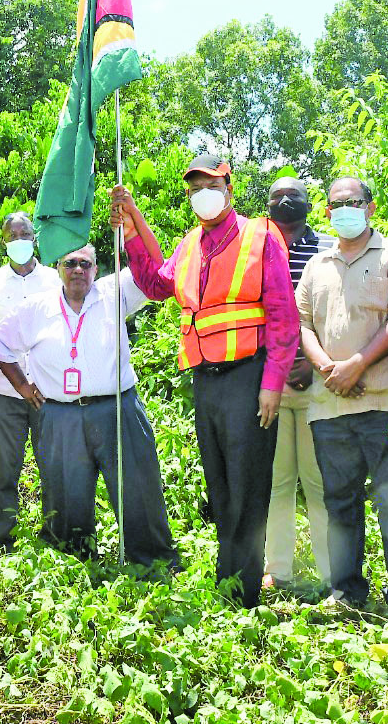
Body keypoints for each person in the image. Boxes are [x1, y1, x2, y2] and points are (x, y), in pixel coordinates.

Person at [110, 155, 299, 608]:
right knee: (219, 484)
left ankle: (246, 592)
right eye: (195, 188)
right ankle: (226, 580)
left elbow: (283, 317)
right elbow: (157, 284)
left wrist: (273, 383)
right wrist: (133, 225)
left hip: (249, 376)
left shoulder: (261, 236)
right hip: (206, 379)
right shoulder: (190, 244)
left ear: (229, 188)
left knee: (248, 484)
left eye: (210, 185)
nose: (203, 194)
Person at [0, 245, 180, 567]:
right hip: (60, 415)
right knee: (65, 494)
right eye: (70, 262)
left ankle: (152, 562)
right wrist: (22, 384)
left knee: (137, 487)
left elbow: (154, 268)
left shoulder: (114, 292)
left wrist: (129, 218)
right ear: (58, 267)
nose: (78, 270)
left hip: (117, 409)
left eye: (85, 264)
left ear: (97, 268)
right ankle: (74, 564)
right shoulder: (37, 306)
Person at [297, 177, 388, 614]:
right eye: (336, 204)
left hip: (386, 401)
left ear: (371, 208)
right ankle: (346, 590)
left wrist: (357, 365)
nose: (344, 209)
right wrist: (327, 367)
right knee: (339, 502)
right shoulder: (317, 265)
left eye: (353, 202)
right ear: (326, 212)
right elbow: (303, 325)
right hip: (329, 403)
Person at [0, 211, 60, 551]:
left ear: (34, 238)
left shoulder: (54, 280)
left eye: (24, 234)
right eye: (12, 235)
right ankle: (6, 539)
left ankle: (54, 534)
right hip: (4, 393)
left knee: (53, 465)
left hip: (48, 391)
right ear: (3, 241)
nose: (18, 241)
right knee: (7, 470)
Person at [261, 177, 334, 591]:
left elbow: (331, 310)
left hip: (318, 379)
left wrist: (311, 362)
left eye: (295, 196)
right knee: (278, 481)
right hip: (270, 382)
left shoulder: (326, 248)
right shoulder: (258, 247)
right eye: (277, 196)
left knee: (318, 480)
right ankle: (279, 569)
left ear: (309, 204)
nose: (286, 201)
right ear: (267, 204)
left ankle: (330, 572)